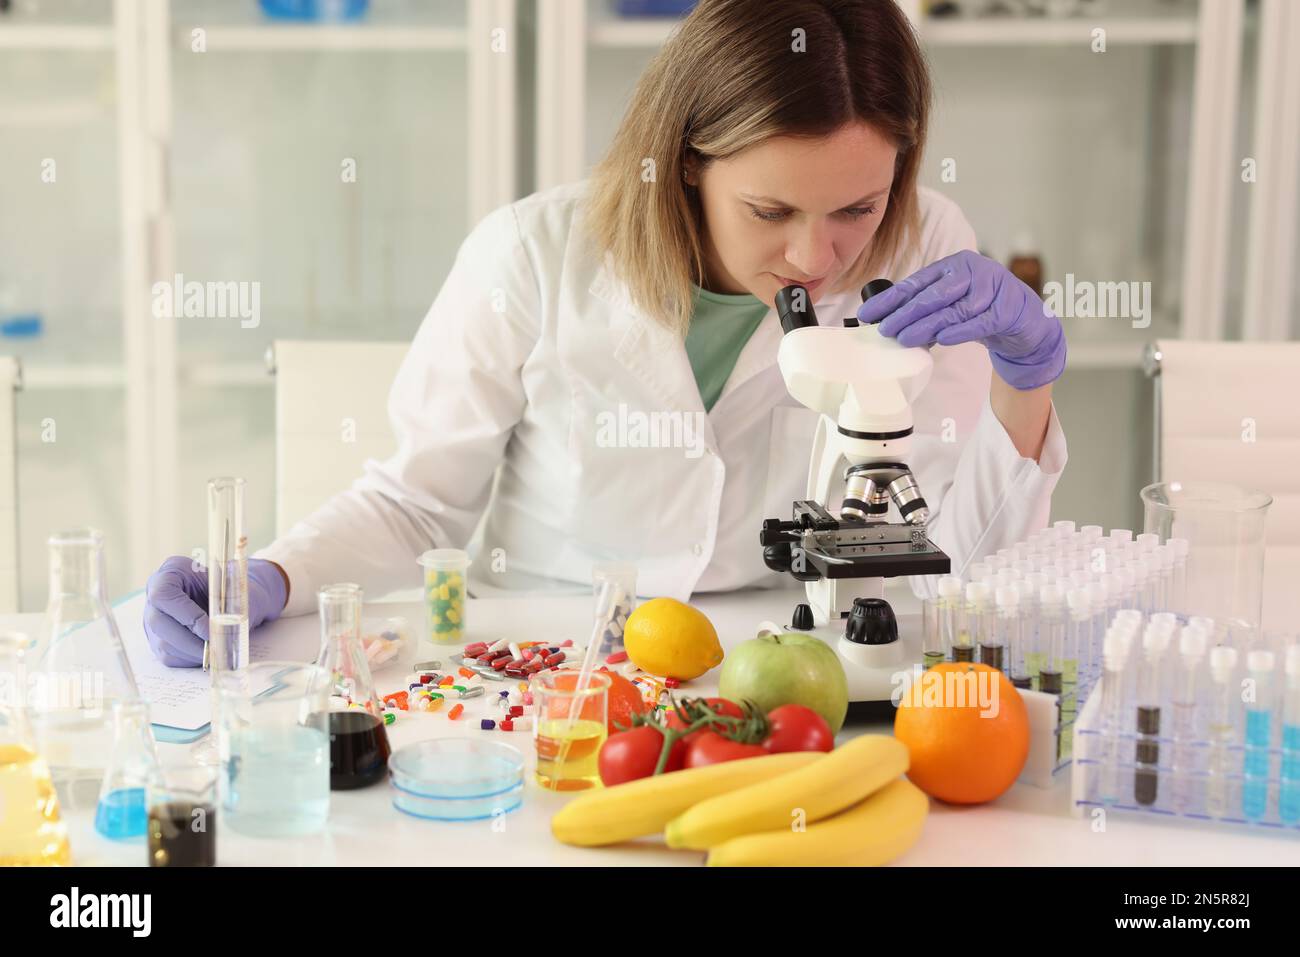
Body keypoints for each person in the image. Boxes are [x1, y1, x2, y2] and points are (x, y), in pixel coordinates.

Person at [144, 0, 1066, 667]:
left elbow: (954, 549)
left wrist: (1024, 383)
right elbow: (418, 504)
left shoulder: (925, 246)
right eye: (769, 208)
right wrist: (265, 573)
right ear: (687, 163)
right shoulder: (531, 256)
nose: (813, 255)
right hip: (553, 660)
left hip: (791, 667)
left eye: (855, 208)